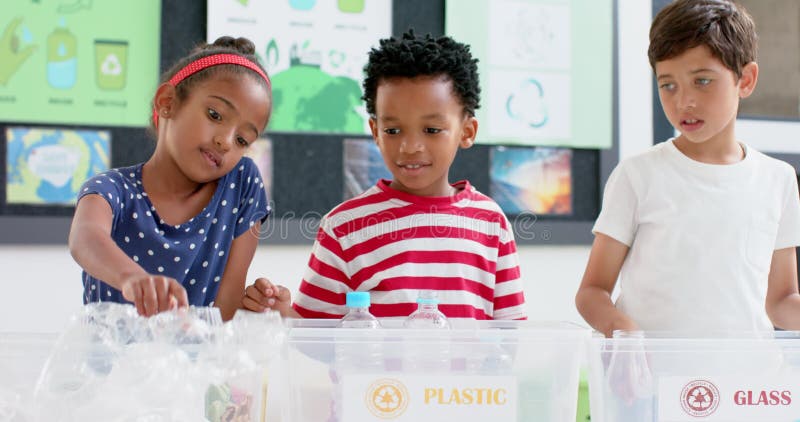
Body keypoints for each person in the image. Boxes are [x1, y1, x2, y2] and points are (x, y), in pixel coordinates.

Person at [243, 31, 526, 320]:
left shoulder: (492, 222)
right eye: (393, 130)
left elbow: (511, 338)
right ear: (376, 131)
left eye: (431, 130)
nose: (410, 146)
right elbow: (316, 339)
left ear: (466, 132)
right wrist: (281, 313)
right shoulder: (343, 227)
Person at [576, 0, 800, 337]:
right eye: (668, 85)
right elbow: (592, 292)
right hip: (654, 380)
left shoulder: (778, 179)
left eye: (703, 81)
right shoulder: (638, 176)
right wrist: (623, 329)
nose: (684, 102)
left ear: (746, 79)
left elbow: (781, 300)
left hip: (745, 381)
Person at [69, 36, 272, 320]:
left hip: (194, 362)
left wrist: (263, 304)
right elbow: (84, 238)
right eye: (215, 115)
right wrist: (132, 279)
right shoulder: (111, 189)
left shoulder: (241, 183)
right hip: (112, 361)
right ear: (167, 103)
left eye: (242, 139)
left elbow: (226, 310)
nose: (226, 142)